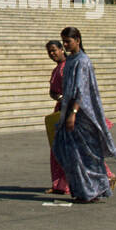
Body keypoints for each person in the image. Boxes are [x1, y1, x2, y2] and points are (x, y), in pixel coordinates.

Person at [52, 26, 116, 201]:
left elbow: (81, 90)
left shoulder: (82, 60)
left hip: (82, 114)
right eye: (64, 41)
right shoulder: (70, 61)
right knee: (71, 153)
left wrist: (73, 113)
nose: (65, 45)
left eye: (68, 41)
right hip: (68, 109)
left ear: (78, 40)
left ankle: (94, 190)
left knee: (86, 154)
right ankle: (84, 190)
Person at [44, 40, 69, 194]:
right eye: (49, 52)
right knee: (58, 148)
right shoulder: (56, 70)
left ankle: (106, 177)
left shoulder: (70, 66)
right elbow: (53, 91)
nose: (52, 54)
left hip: (72, 110)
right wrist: (58, 96)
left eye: (54, 50)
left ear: (61, 49)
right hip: (60, 109)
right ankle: (60, 184)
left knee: (75, 148)